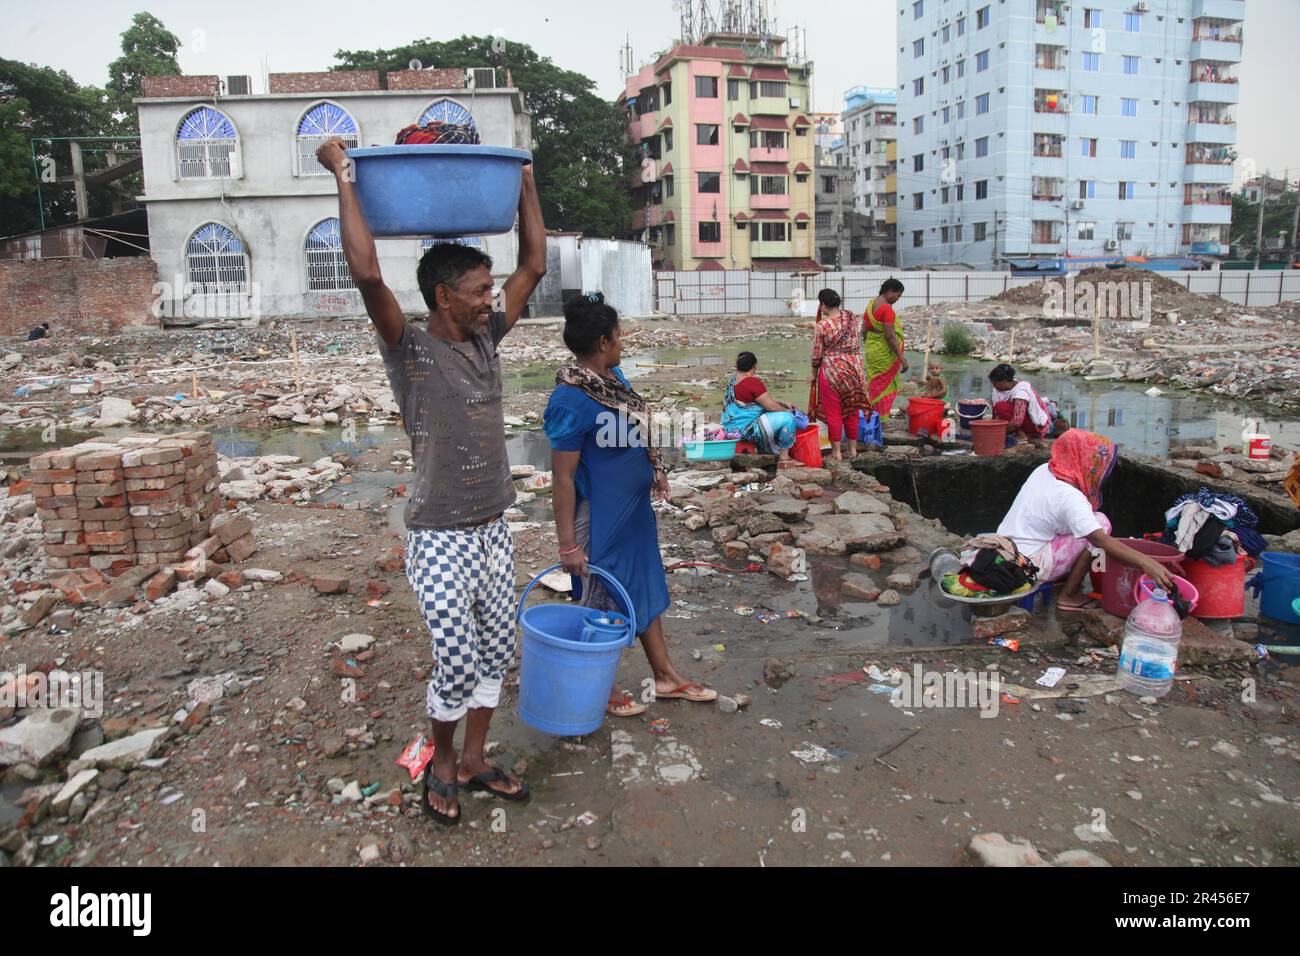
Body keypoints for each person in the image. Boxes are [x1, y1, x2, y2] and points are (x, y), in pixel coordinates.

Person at [316, 136, 547, 826]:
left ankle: (475, 758)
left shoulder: (484, 338)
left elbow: (534, 263)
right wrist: (343, 175)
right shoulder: (409, 347)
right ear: (444, 297)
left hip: (492, 529)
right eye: (480, 291)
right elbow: (365, 274)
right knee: (454, 654)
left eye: (489, 291)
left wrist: (526, 181)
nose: (491, 300)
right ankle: (442, 763)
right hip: (439, 534)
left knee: (497, 650)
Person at [545, 292, 717, 718]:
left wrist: (654, 467)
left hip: (634, 513)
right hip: (602, 516)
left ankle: (665, 677)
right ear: (603, 342)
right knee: (601, 600)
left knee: (642, 588)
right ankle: (596, 686)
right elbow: (563, 478)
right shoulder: (569, 399)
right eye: (619, 337)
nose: (623, 343)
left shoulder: (613, 379)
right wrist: (568, 545)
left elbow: (635, 427)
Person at [997, 429, 1174, 612]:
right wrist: (1146, 562)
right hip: (1029, 565)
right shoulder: (1070, 496)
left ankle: (1063, 579)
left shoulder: (1044, 470)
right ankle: (1069, 595)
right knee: (1101, 523)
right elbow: (1098, 539)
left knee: (1085, 525)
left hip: (1005, 551)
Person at [810, 288, 869, 461]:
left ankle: (836, 453)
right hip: (855, 369)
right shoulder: (851, 317)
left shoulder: (822, 325)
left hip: (832, 372)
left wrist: (813, 373)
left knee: (834, 412)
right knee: (851, 410)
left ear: (823, 305)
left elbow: (816, 354)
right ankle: (853, 450)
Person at [722, 351, 798, 467]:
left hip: (730, 427)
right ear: (754, 367)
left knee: (779, 414)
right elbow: (770, 406)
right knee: (789, 418)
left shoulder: (733, 380)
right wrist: (787, 411)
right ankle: (784, 457)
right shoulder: (752, 383)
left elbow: (759, 400)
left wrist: (782, 402)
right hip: (745, 429)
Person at [863, 278, 907, 417]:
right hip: (885, 354)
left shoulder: (870, 306)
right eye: (897, 295)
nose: (898, 299)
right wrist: (902, 359)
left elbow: (863, 331)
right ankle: (880, 420)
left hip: (872, 351)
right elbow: (890, 336)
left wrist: (872, 346)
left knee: (875, 385)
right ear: (889, 291)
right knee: (885, 387)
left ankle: (872, 417)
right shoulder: (887, 310)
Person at [989, 363, 1053, 445]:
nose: (994, 387)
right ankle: (1018, 432)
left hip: (1034, 425)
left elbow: (1017, 422)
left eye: (995, 384)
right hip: (1021, 421)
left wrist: (998, 433)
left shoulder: (1021, 391)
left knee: (1000, 406)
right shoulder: (999, 390)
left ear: (1004, 382)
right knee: (998, 407)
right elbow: (996, 414)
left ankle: (1022, 435)